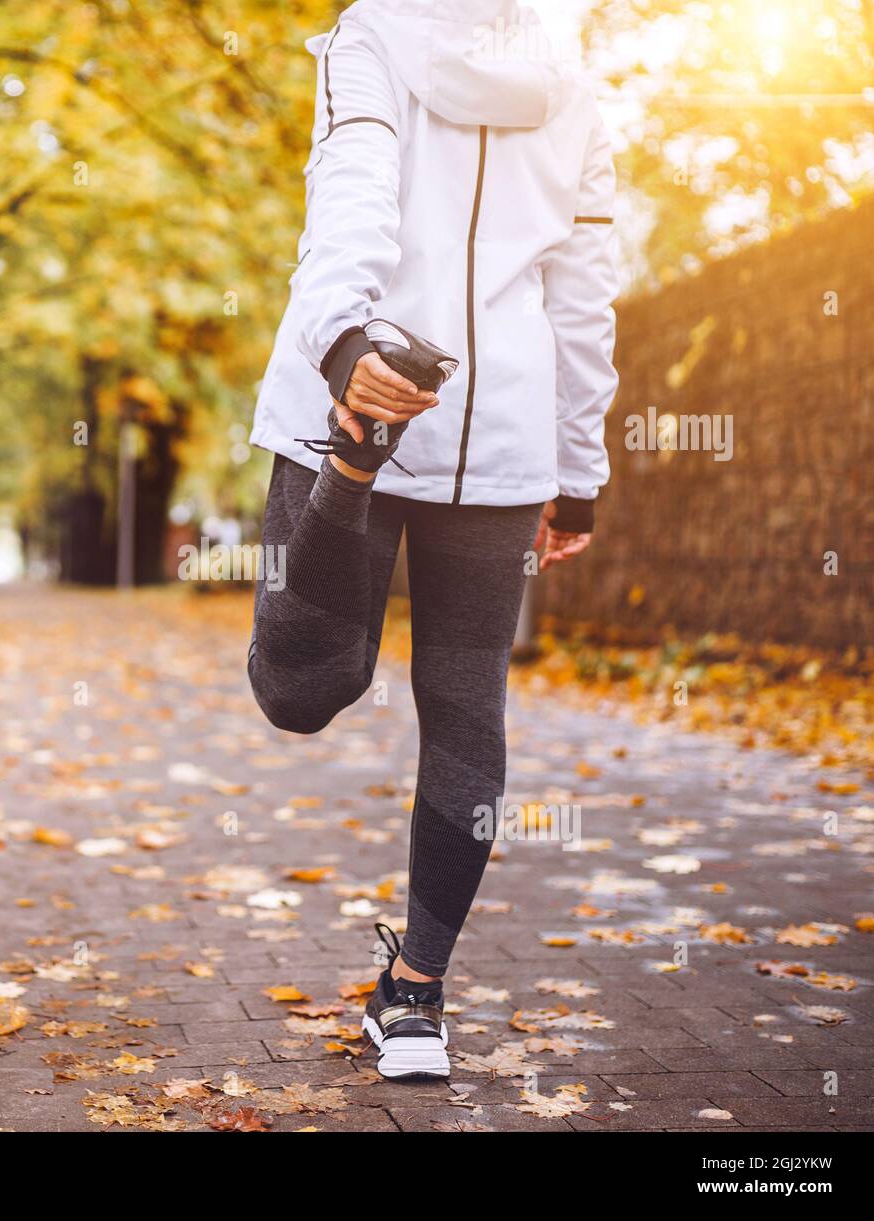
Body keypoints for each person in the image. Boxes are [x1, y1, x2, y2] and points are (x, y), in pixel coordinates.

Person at [247, 0, 619, 1080]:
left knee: (299, 688)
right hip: (496, 434)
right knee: (466, 709)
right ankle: (415, 1001)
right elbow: (581, 294)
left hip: (360, 387)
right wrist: (577, 471)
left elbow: (349, 201)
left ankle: (351, 461)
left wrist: (344, 346)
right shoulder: (574, 78)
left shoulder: (370, 35)